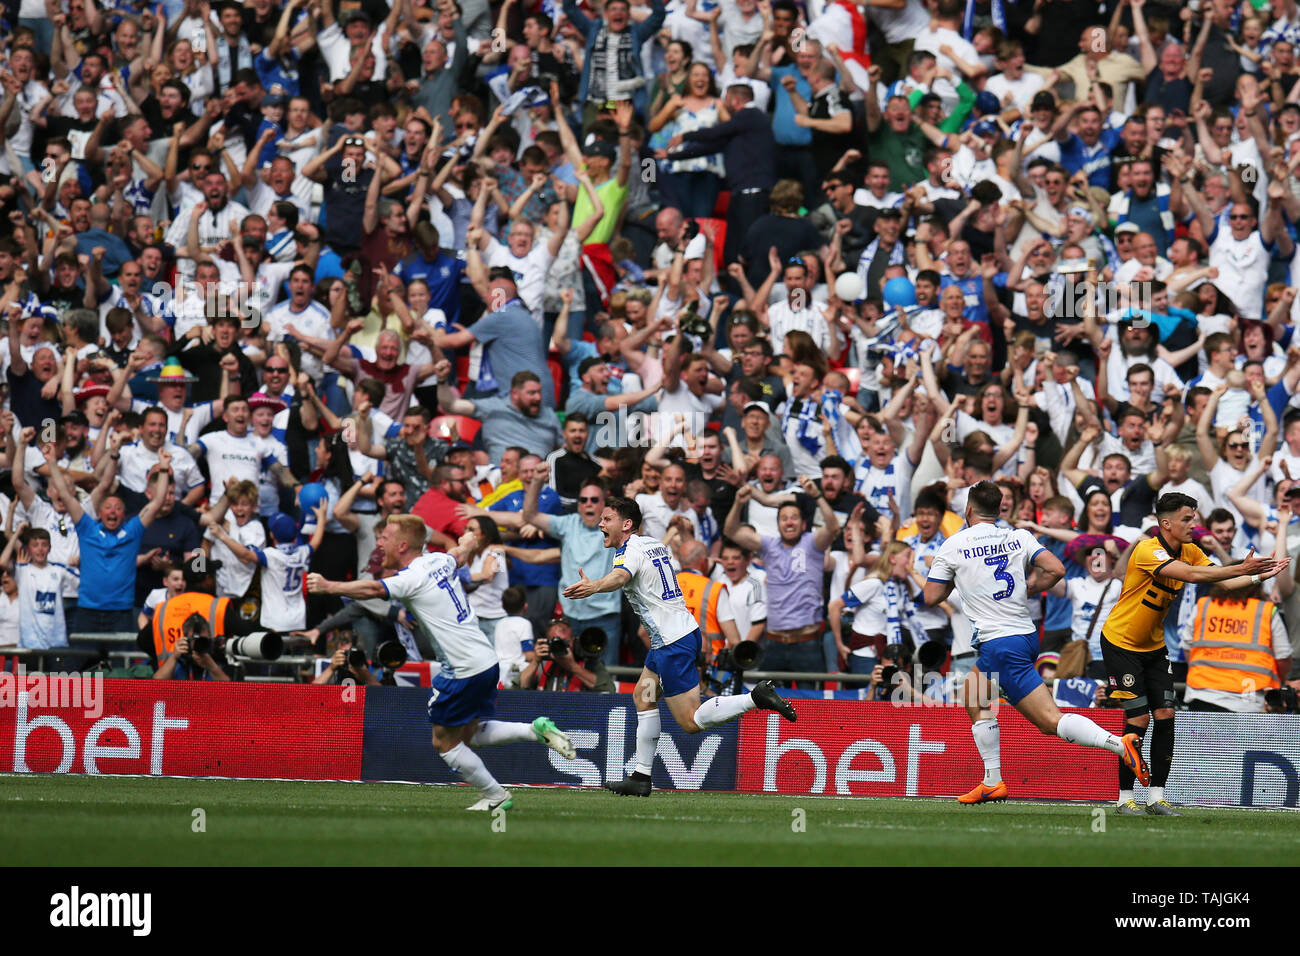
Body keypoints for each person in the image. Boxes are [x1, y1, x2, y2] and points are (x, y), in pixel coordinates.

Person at [308, 516, 576, 811]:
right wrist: (470, 541)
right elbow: (459, 554)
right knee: (469, 733)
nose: (379, 543)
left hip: (462, 669)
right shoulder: (437, 561)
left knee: (443, 743)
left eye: (384, 537)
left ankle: (496, 796)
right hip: (485, 662)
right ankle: (533, 730)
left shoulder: (411, 578)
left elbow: (373, 590)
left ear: (402, 545)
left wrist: (329, 585)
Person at [922, 480, 1155, 806]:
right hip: (1025, 635)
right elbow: (1056, 569)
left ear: (969, 510)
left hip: (1000, 642)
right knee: (974, 695)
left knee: (1049, 721)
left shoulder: (954, 545)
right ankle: (992, 781)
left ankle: (1120, 744)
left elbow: (931, 596)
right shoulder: (1018, 537)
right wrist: (1031, 587)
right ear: (1000, 508)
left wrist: (948, 574)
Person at [562, 496, 797, 796]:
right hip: (672, 640)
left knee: (690, 721)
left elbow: (621, 576)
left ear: (627, 524)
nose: (601, 524)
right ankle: (640, 777)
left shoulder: (629, 551)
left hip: (672, 643)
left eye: (607, 519)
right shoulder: (653, 544)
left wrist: (595, 585)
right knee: (643, 697)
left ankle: (755, 697)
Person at [1098, 492, 1289, 815]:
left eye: (1194, 517)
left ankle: (1156, 797)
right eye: (1187, 519)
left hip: (1155, 647)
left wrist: (1256, 576)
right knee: (1139, 718)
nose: (1193, 524)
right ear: (1166, 523)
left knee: (1166, 716)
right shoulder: (1148, 550)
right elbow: (1193, 576)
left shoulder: (1190, 550)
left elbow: (1224, 583)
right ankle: (1123, 798)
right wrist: (1241, 567)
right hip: (1121, 643)